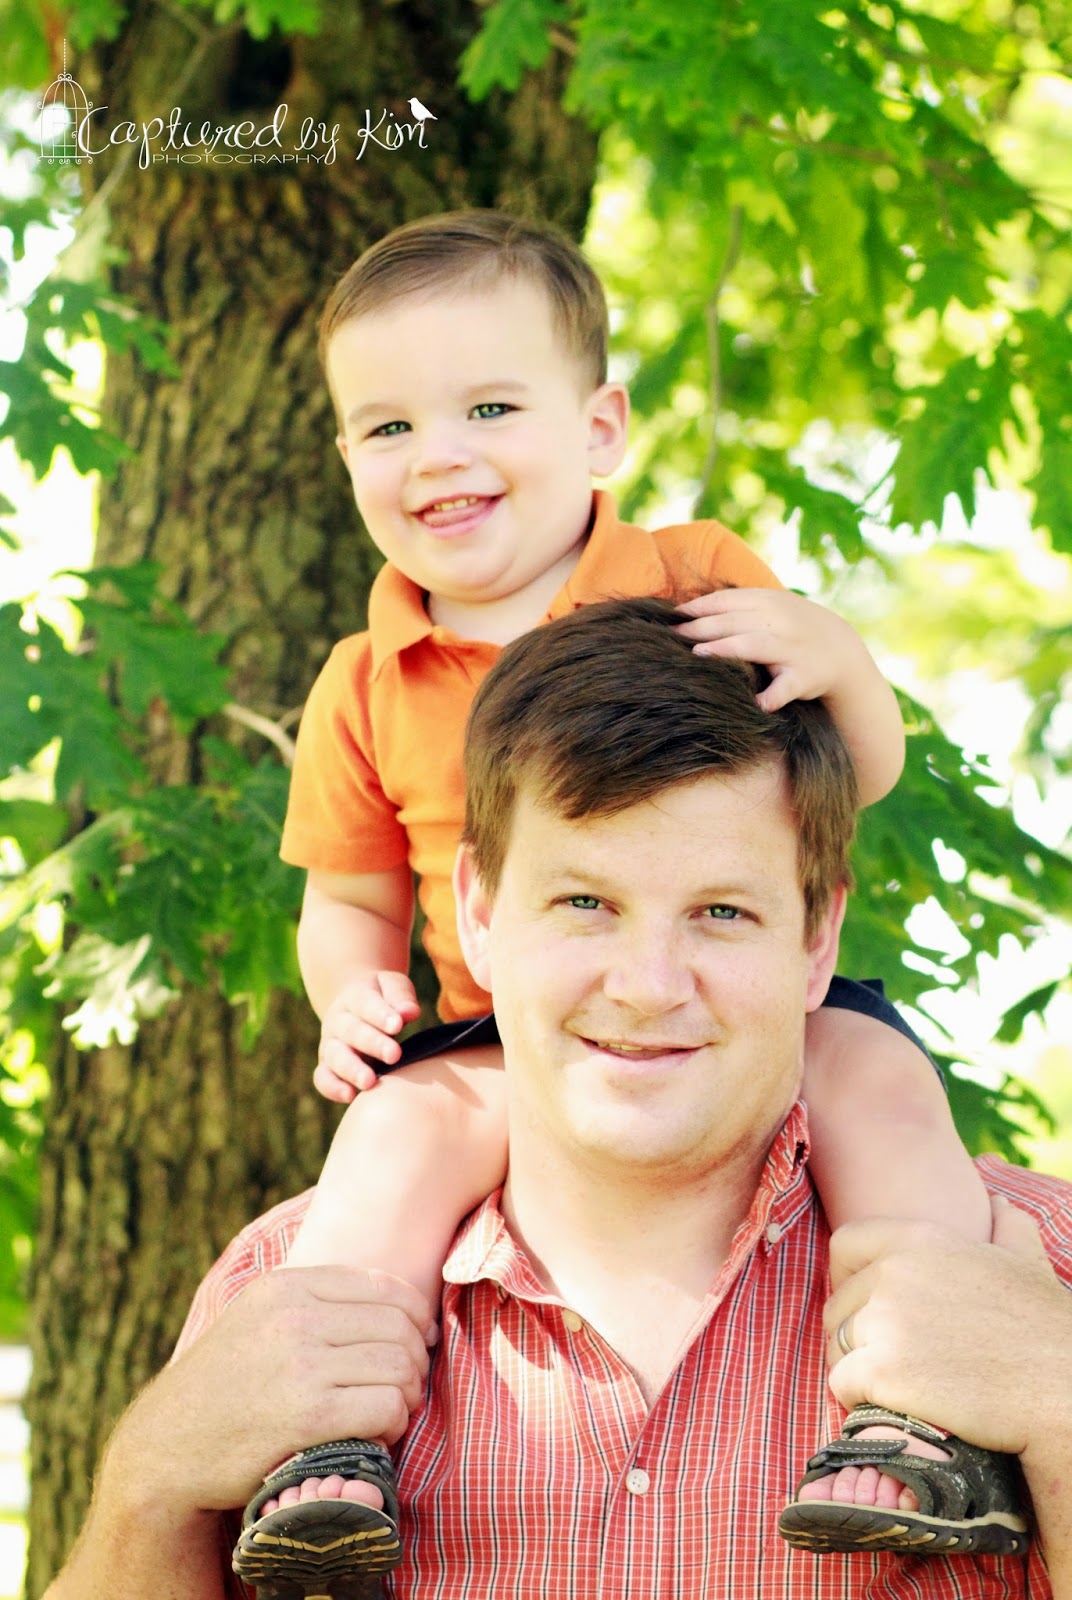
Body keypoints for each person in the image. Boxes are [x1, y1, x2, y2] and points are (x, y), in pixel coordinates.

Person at [250, 209, 1009, 1581]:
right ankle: (330, 1449)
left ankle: (918, 1413)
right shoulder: (363, 681)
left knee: (884, 1096)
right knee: (385, 1155)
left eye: (489, 405)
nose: (441, 454)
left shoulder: (693, 576)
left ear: (600, 427)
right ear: (347, 453)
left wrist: (829, 653)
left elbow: (856, 773)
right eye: (388, 426)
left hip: (753, 996)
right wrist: (349, 990)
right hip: (503, 1027)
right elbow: (351, 898)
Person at [45, 601, 1072, 1600]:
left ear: (814, 944)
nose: (647, 983)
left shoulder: (1037, 1272)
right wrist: (146, 1487)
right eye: (585, 902)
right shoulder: (285, 1291)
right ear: (480, 913)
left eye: (720, 911)